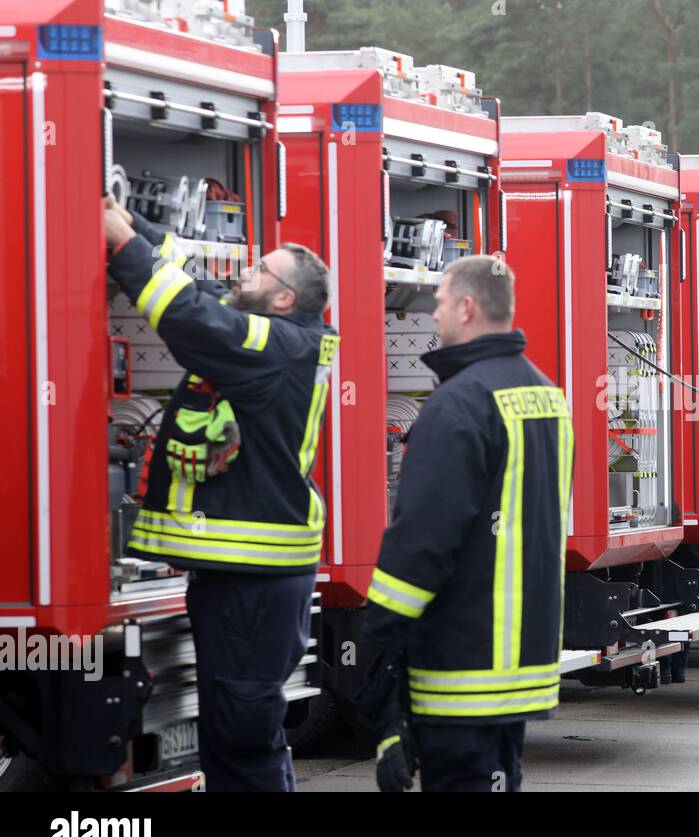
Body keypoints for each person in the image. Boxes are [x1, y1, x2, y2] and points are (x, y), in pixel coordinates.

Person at [104, 198, 337, 791]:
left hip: (253, 580)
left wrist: (124, 249)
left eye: (261, 271)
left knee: (241, 733)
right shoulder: (286, 338)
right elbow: (202, 286)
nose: (245, 275)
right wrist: (133, 226)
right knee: (242, 728)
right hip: (251, 576)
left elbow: (192, 317)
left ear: (283, 298)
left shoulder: (273, 346)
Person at [355, 256, 574, 792]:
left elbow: (422, 541)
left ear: (467, 307)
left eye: (440, 302)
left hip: (463, 661)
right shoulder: (548, 394)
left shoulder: (457, 404)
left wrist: (377, 642)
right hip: (522, 660)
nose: (433, 314)